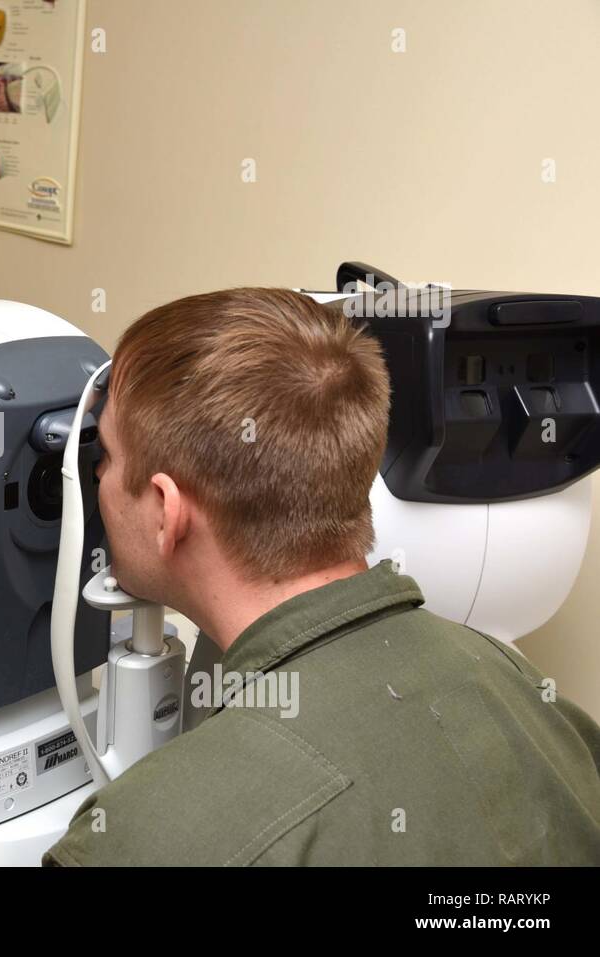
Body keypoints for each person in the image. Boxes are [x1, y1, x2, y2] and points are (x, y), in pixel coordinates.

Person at [44, 287, 600, 865]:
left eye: (104, 455)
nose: (97, 477)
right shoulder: (527, 694)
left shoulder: (148, 835)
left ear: (166, 510)